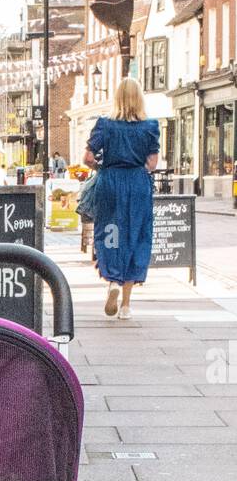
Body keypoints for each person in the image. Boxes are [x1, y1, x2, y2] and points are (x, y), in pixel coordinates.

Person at [84, 78, 159, 320]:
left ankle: (112, 280)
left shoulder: (105, 125)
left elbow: (87, 157)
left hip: (111, 182)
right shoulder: (150, 126)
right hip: (137, 183)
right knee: (135, 236)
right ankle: (126, 306)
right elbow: (152, 163)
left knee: (110, 231)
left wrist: (101, 167)